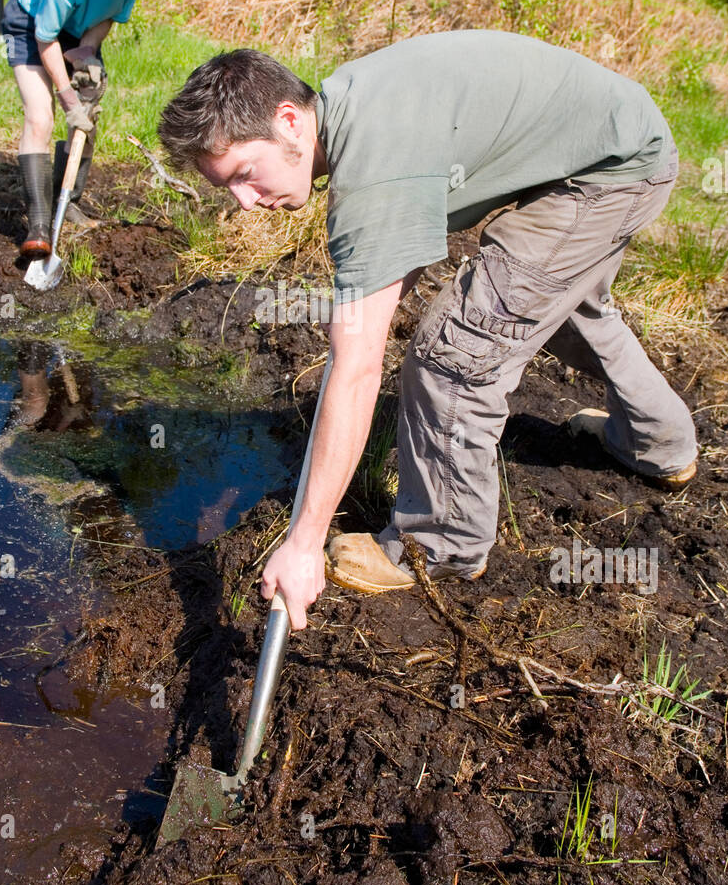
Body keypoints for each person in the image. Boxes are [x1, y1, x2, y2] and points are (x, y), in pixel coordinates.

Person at [157, 33, 699, 629]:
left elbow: (359, 367)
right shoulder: (351, 105)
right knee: (561, 306)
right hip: (609, 142)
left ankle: (441, 544)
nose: (243, 202)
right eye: (225, 187)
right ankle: (660, 443)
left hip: (612, 170)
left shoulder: (372, 175)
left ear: (288, 120)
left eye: (244, 173)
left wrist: (305, 541)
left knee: (454, 353)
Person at [2, 0, 173, 258]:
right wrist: (68, 98)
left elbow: (108, 16)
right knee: (41, 115)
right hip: (32, 25)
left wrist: (88, 53)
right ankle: (38, 225)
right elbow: (45, 37)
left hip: (80, 32)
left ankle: (69, 202)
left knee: (88, 119)